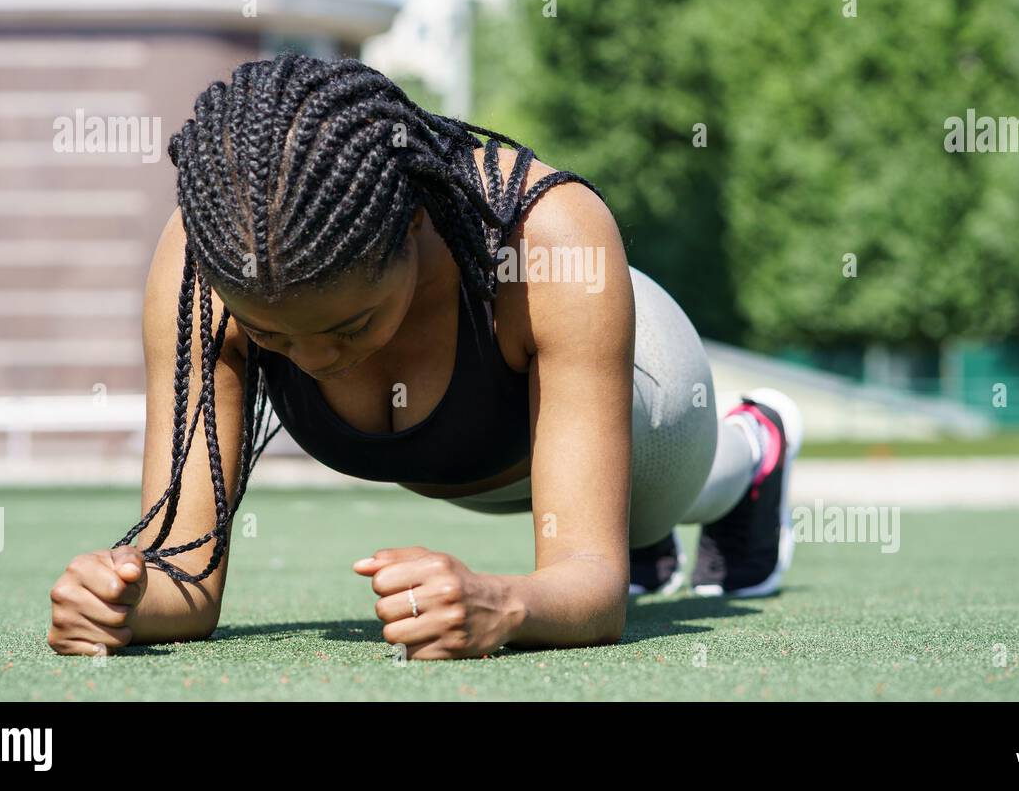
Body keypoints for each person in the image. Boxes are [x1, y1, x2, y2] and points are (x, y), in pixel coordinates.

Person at [46, 54, 803, 660]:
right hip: (464, 464)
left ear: (414, 223)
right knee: (605, 536)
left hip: (653, 397)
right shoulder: (208, 265)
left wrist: (503, 603)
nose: (316, 363)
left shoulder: (548, 242)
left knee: (643, 517)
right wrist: (125, 598)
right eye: (273, 337)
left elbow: (594, 595)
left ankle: (754, 452)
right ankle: (642, 534)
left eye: (350, 325)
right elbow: (183, 571)